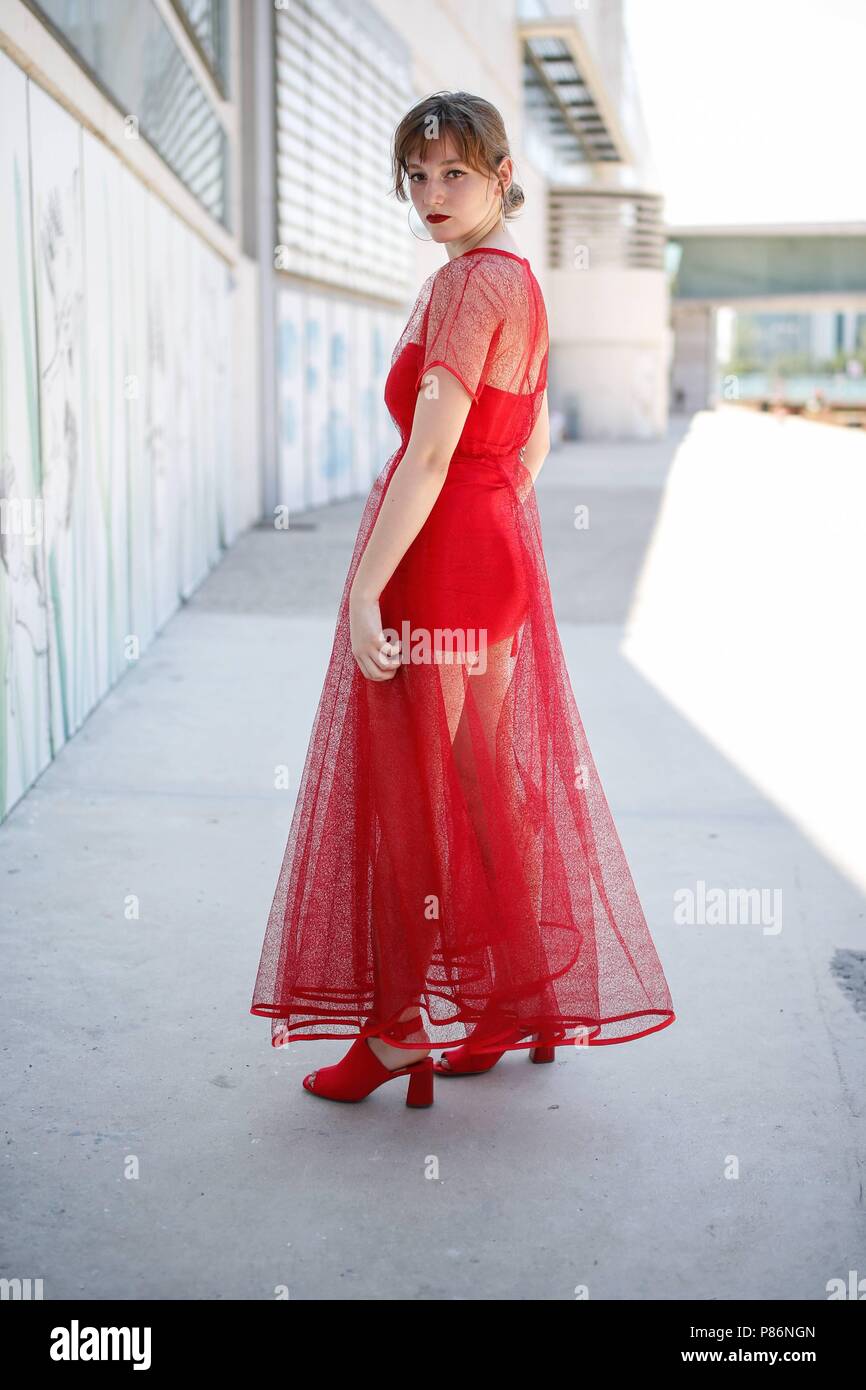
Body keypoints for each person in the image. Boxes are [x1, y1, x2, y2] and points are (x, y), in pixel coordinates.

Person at [249, 91, 676, 1108]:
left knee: (410, 798)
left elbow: (432, 448)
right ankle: (510, 996)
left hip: (444, 560)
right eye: (417, 175)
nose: (432, 194)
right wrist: (491, 518)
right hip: (490, 553)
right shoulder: (517, 282)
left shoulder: (463, 289)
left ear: (498, 178)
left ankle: (400, 1032)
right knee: (482, 779)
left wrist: (363, 590)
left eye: (454, 173)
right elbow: (527, 439)